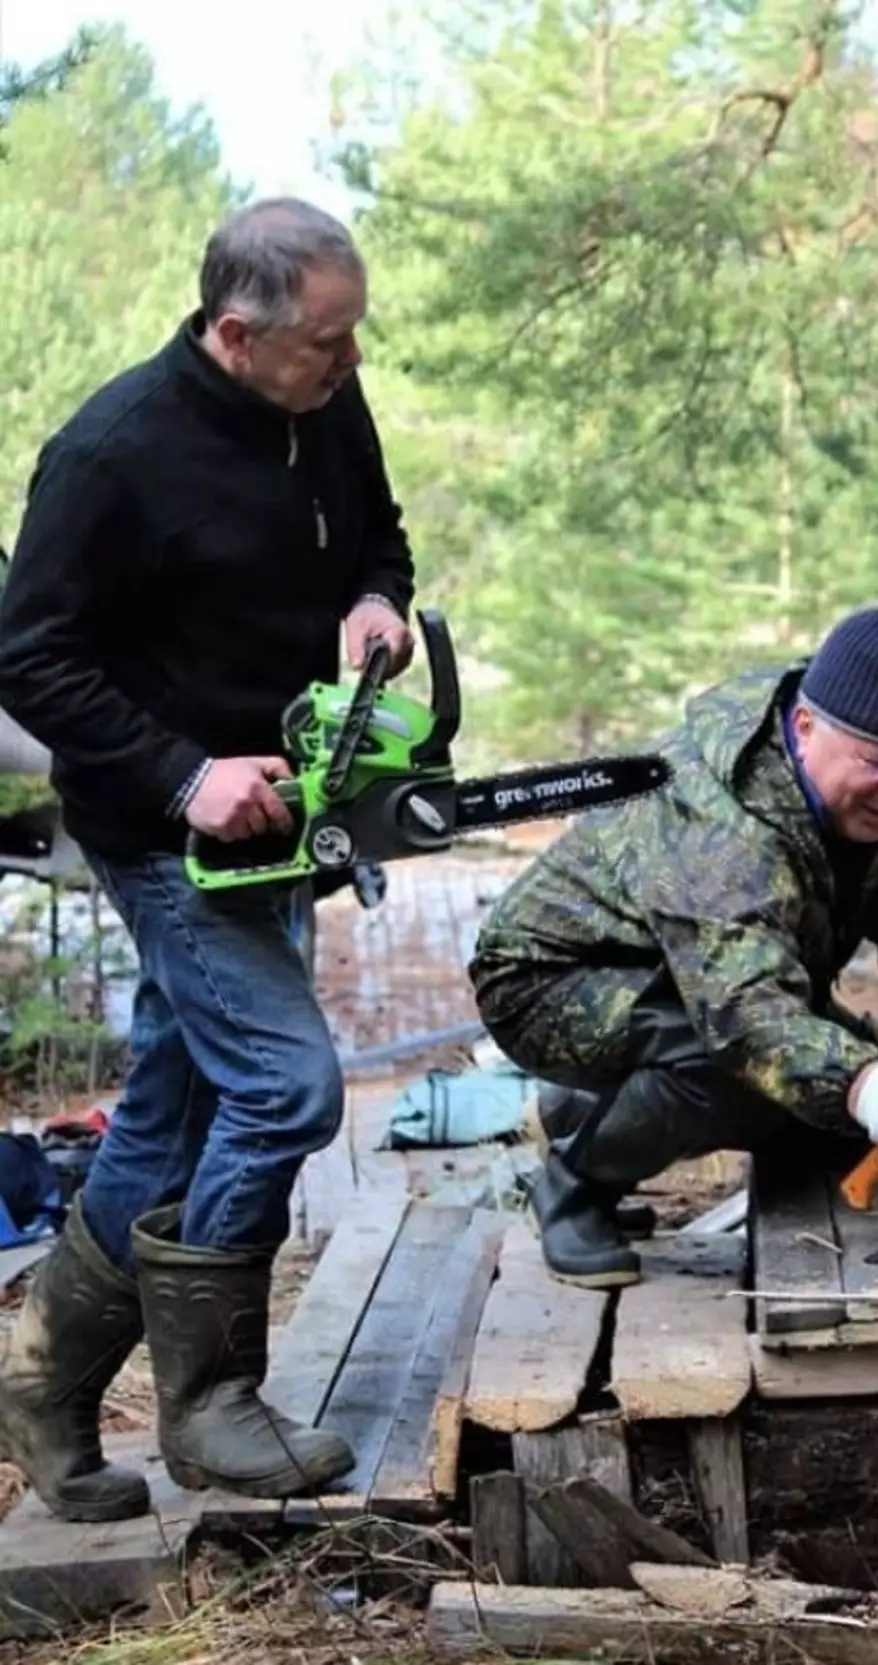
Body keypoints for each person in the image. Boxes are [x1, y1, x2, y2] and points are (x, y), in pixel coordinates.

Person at [0, 198, 415, 1521]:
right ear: (239, 334)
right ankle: (211, 1401)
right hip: (161, 828)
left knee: (170, 1117)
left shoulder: (323, 407)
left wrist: (373, 602)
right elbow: (29, 658)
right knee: (290, 1090)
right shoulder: (111, 454)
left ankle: (37, 1382)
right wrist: (186, 774)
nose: (351, 364)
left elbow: (379, 535)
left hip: (283, 819)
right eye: (327, 344)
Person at [469, 604, 878, 1289]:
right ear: (808, 725)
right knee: (731, 1073)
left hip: (697, 976)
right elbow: (745, 1018)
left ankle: (577, 1113)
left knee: (853, 1123)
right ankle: (573, 1186)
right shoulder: (719, 811)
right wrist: (861, 1081)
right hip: (548, 981)